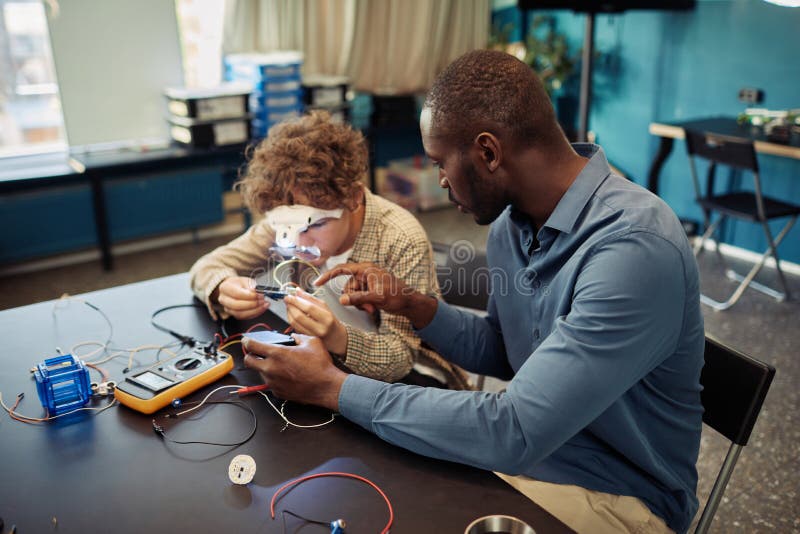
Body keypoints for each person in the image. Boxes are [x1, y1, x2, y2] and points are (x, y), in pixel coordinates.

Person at [242, 51, 704, 534]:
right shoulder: (512, 224)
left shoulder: (634, 250)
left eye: (440, 162)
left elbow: (514, 429)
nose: (439, 179)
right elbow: (505, 352)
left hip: (618, 494)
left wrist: (333, 389)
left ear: (487, 152)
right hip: (532, 461)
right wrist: (414, 306)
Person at [190, 110, 470, 389]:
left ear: (353, 198)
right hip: (325, 362)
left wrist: (338, 337)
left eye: (314, 226)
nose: (299, 243)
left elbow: (400, 358)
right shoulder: (290, 218)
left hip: (412, 384)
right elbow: (206, 267)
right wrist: (222, 287)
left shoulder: (399, 238)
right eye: (288, 228)